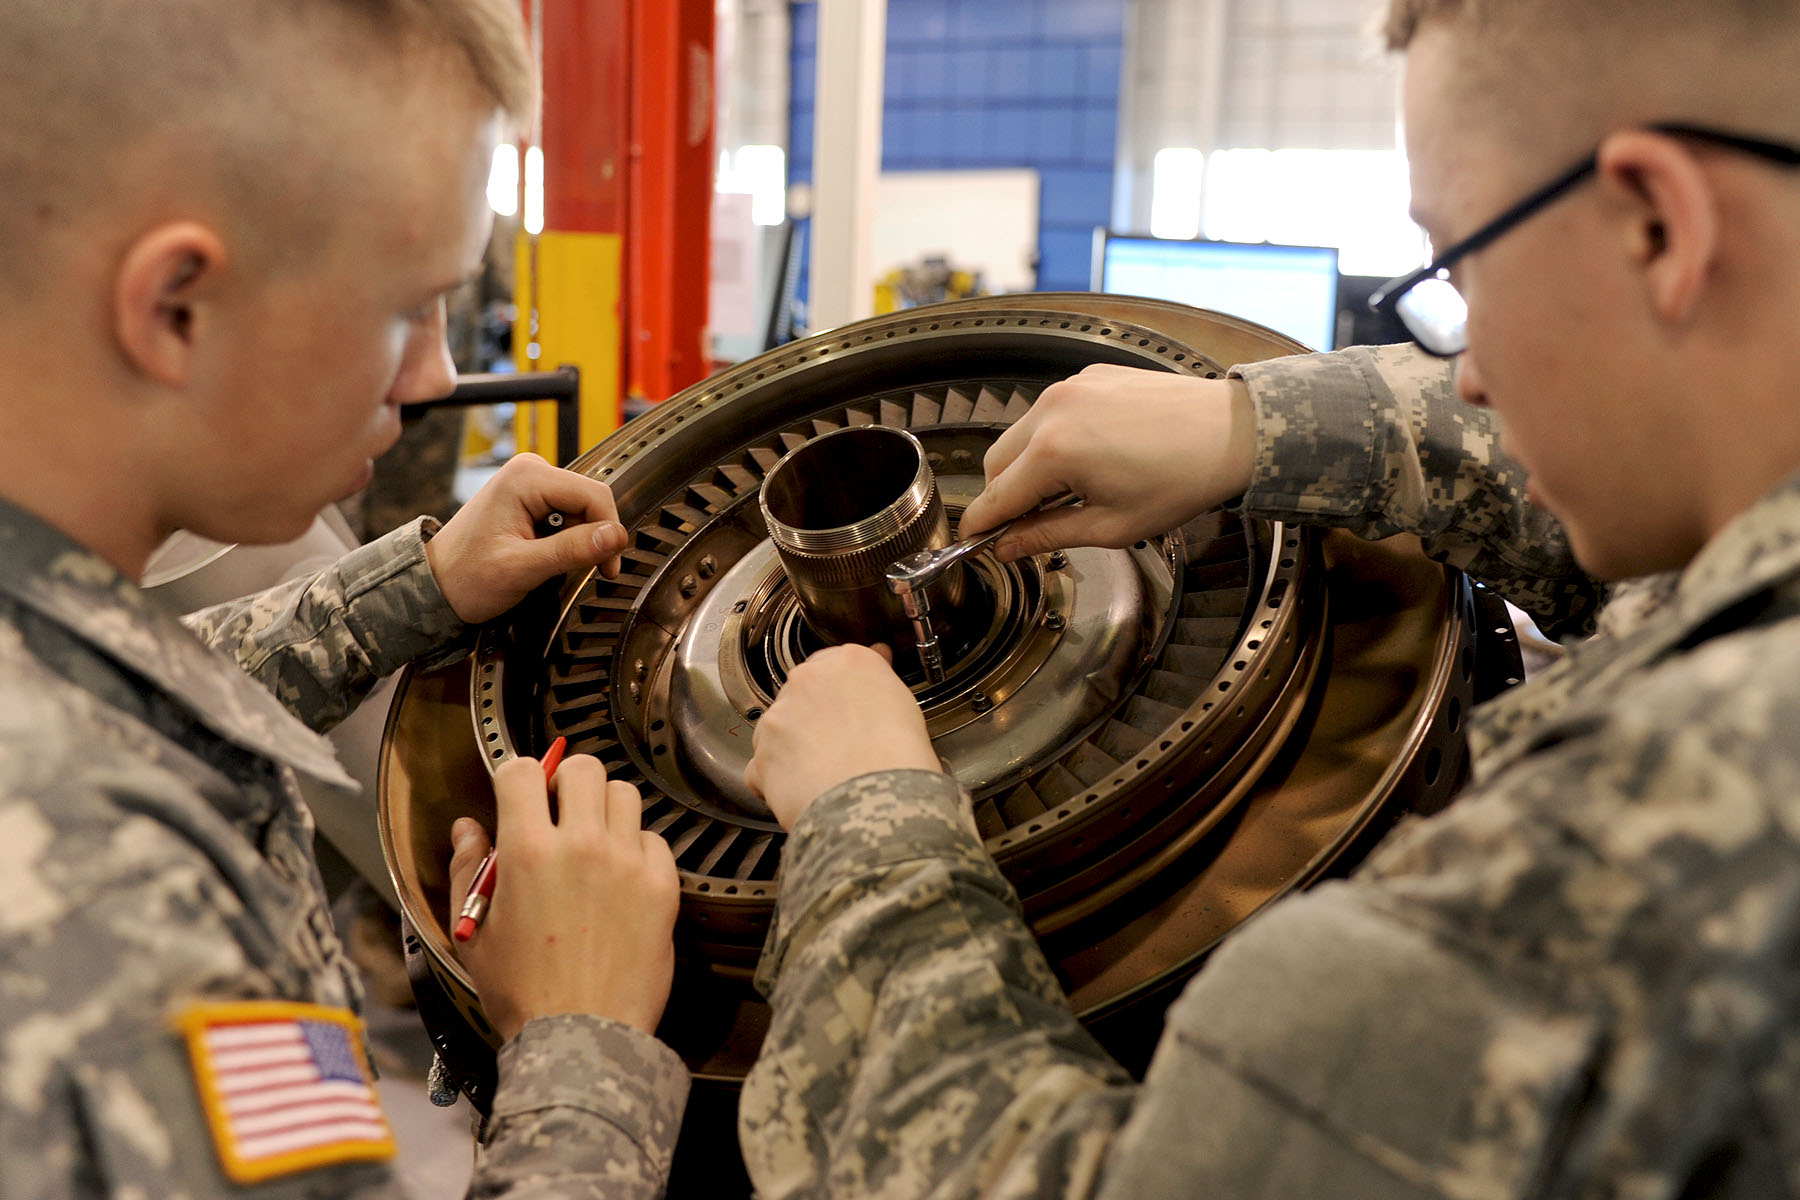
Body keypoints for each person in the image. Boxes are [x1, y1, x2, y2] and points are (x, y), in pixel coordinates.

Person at [738, 0, 1800, 1195]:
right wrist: (1254, 427)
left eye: (1465, 267)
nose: (1477, 368)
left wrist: (865, 820)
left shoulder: (1626, 855)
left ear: (1660, 226)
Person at [0, 2, 687, 1196]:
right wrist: (580, 1039)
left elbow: (135, 684)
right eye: (403, 308)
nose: (433, 377)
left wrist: (413, 586)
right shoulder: (117, 913)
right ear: (177, 308)